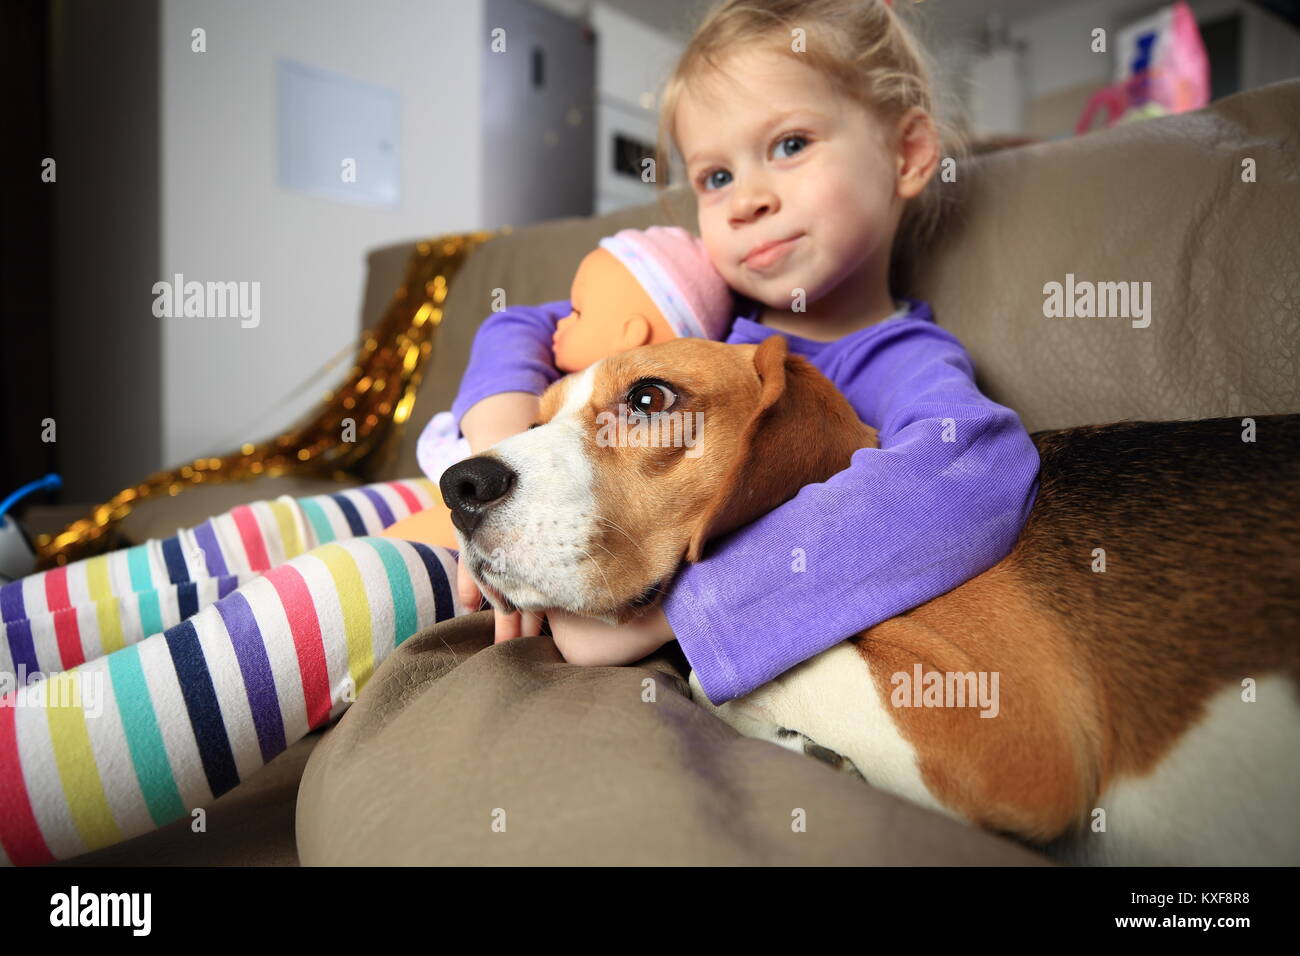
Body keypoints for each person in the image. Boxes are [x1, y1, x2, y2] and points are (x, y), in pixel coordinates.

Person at [449, 0, 1041, 704]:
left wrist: (674, 614)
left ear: (907, 154)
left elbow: (978, 473)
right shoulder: (696, 305)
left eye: (790, 144)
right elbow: (522, 324)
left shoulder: (896, 355)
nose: (745, 201)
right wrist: (496, 446)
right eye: (715, 177)